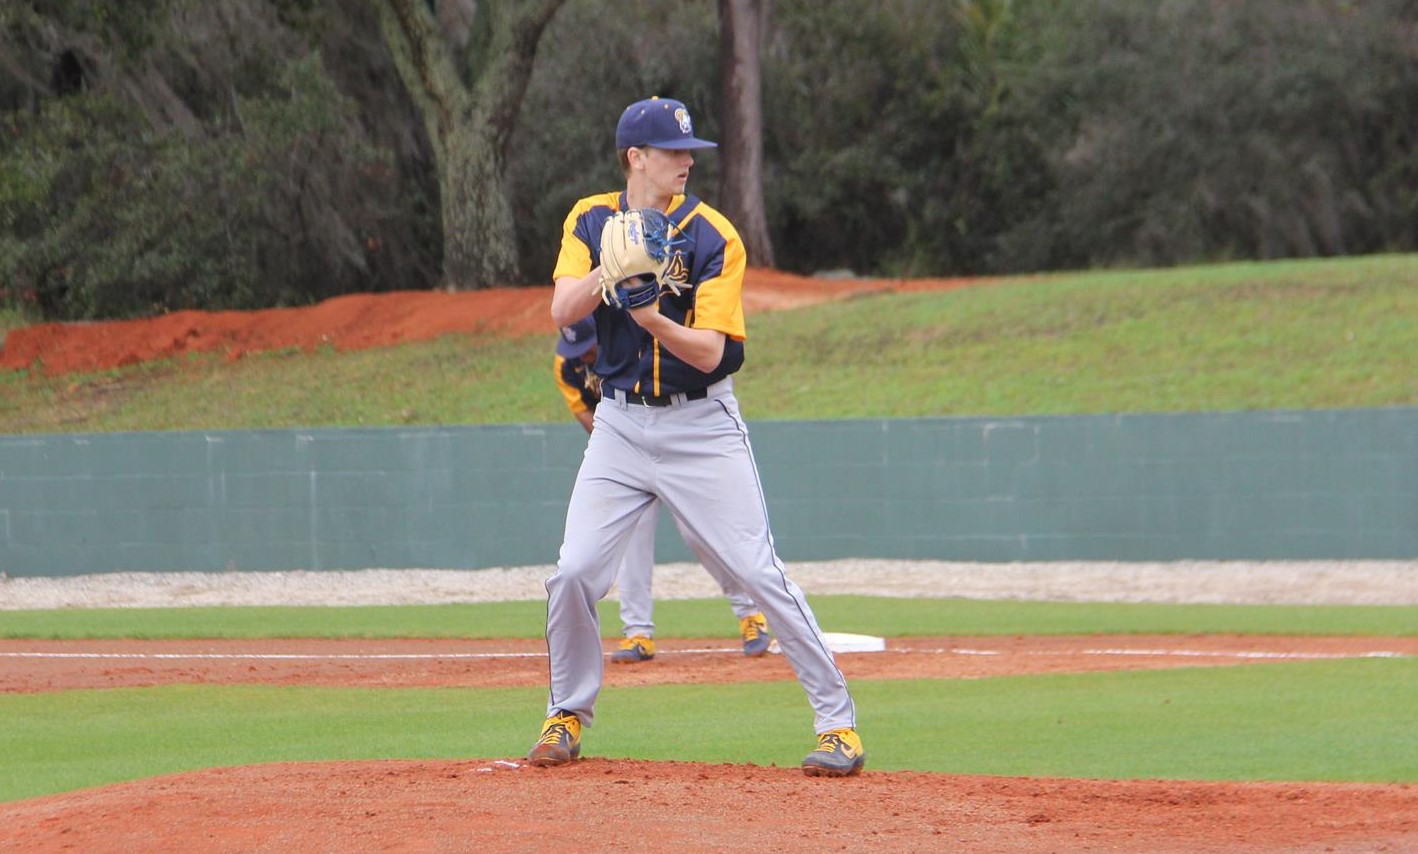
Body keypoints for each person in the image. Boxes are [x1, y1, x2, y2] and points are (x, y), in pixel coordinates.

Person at [529, 96, 863, 777]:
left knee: (755, 571)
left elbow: (711, 352)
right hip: (619, 423)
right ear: (636, 158)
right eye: (675, 151)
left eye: (690, 152)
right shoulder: (591, 219)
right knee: (571, 574)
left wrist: (649, 316)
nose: (688, 161)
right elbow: (562, 308)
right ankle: (566, 713)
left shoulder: (714, 236)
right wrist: (611, 270)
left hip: (701, 423)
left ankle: (839, 727)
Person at [553, 317, 775, 663]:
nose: (583, 357)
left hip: (680, 446)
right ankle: (638, 633)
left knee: (701, 535)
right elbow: (593, 422)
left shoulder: (632, 345)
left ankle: (750, 615)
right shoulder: (567, 367)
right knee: (631, 540)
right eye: (575, 350)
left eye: (587, 348)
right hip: (622, 450)